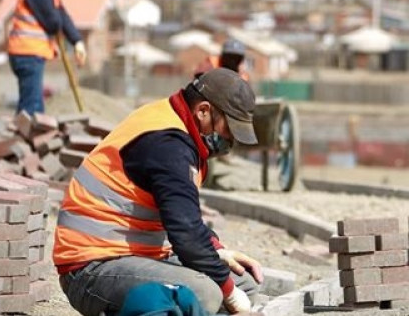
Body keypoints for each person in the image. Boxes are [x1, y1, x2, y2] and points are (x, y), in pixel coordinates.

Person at [53, 68, 265, 315]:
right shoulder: (168, 145)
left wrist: (217, 250)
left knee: (245, 284)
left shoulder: (175, 123)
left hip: (138, 255)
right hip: (91, 267)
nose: (229, 139)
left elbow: (180, 215)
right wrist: (228, 292)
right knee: (205, 293)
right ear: (203, 111)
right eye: (228, 128)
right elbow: (185, 235)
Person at [7, 0, 86, 115]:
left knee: (32, 102)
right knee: (32, 106)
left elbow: (62, 14)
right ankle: (27, 139)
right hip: (27, 51)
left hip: (29, 51)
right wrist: (57, 17)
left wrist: (77, 41)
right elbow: (53, 22)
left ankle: (28, 136)